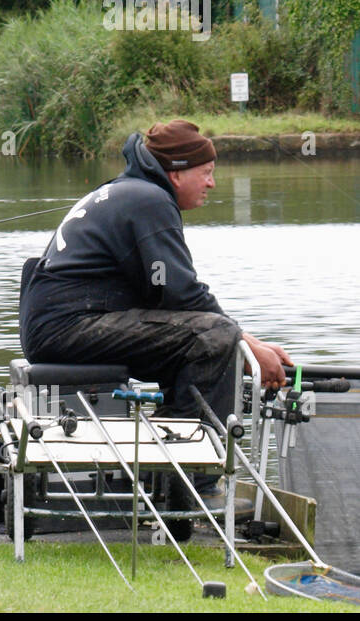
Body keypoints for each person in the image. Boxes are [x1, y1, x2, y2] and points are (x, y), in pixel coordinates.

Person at [18, 120, 291, 501]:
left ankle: (164, 472)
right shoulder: (150, 199)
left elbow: (164, 296)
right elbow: (182, 294)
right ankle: (192, 482)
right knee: (213, 336)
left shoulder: (126, 190)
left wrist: (247, 344)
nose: (212, 183)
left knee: (214, 335)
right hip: (72, 325)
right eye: (207, 173)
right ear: (177, 173)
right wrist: (245, 347)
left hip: (59, 323)